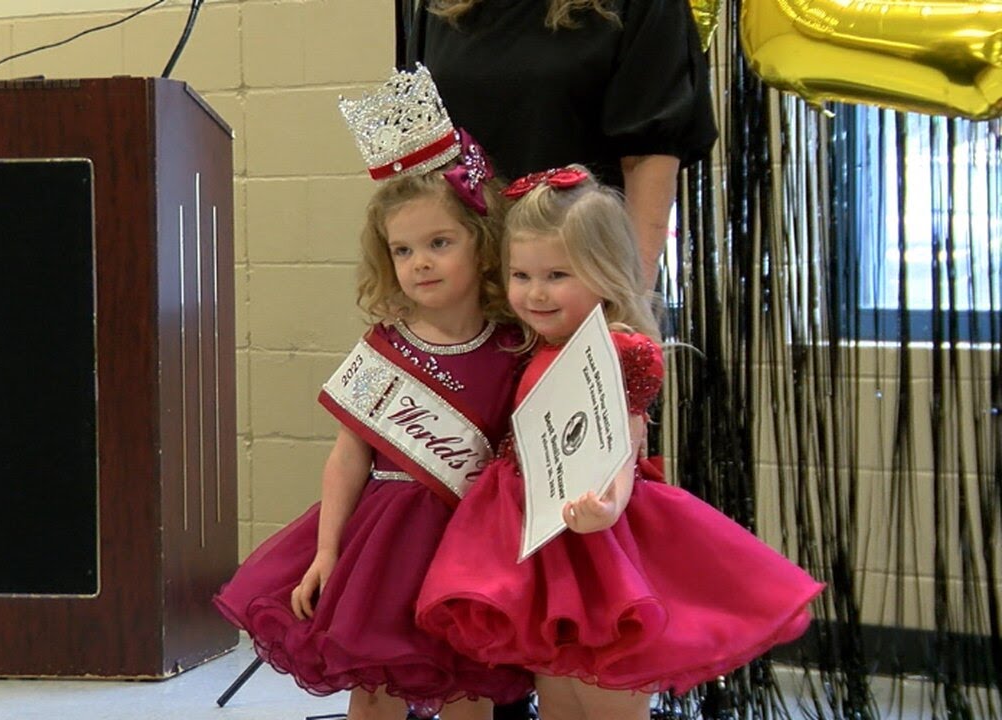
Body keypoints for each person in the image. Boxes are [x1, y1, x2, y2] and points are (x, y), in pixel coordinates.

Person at [415, 166, 826, 720]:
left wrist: (609, 502)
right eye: (521, 275)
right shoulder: (535, 345)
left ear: (605, 271)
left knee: (608, 690)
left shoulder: (620, 349)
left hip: (597, 541)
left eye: (557, 275)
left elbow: (626, 442)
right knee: (558, 692)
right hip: (534, 531)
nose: (535, 292)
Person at [212, 66, 533, 720]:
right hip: (381, 550)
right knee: (376, 686)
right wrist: (328, 550)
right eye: (403, 250)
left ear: (482, 243)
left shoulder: (514, 346)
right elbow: (348, 456)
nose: (420, 262)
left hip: (468, 549)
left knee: (468, 685)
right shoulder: (384, 348)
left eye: (439, 243)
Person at [410, 0, 718, 290]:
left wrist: (633, 298)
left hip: (580, 280)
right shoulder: (439, 6)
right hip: (463, 287)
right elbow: (418, 155)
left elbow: (648, 155)